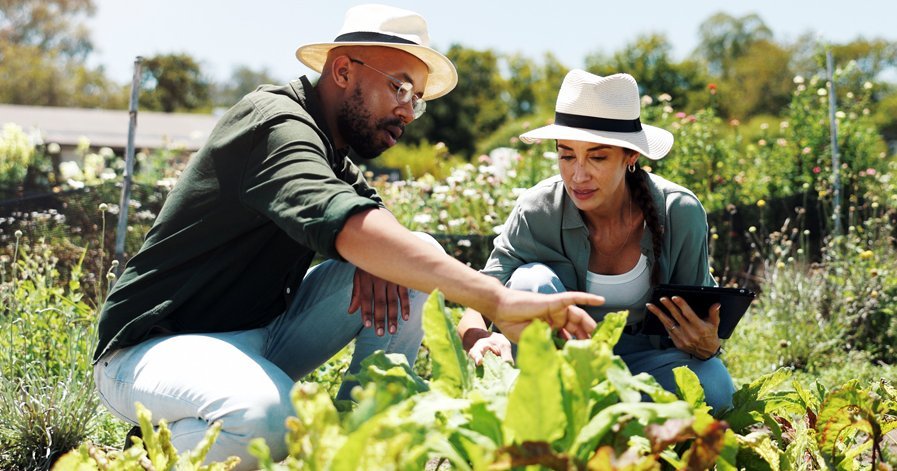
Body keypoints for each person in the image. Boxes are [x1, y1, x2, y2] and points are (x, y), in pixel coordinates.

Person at [91, 5, 601, 468]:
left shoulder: (332, 151)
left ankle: (365, 437)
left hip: (259, 337)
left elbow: (378, 225)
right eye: (400, 88)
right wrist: (497, 299)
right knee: (269, 421)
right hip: (153, 346)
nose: (407, 111)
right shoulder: (275, 124)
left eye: (416, 100)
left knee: (412, 254)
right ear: (342, 70)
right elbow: (343, 220)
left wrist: (384, 262)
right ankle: (156, 453)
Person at [458, 69, 736, 413]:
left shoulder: (678, 211)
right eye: (566, 155)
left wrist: (709, 345)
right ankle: (580, 408)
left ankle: (580, 411)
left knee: (717, 391)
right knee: (531, 280)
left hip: (642, 361)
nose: (578, 175)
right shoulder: (537, 209)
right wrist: (481, 340)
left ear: (631, 156)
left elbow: (701, 317)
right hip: (555, 359)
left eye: (598, 157)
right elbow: (476, 305)